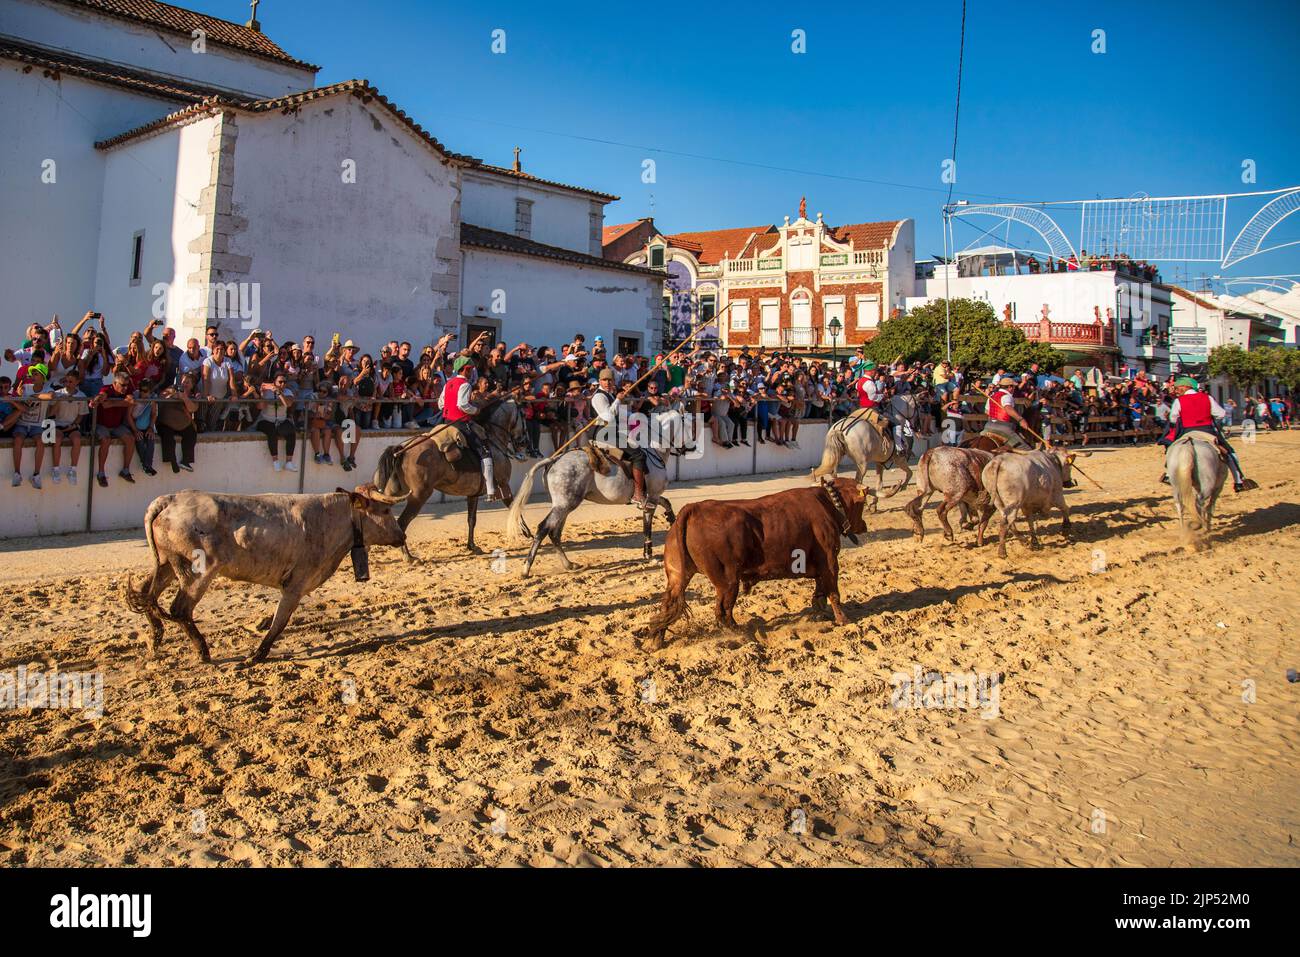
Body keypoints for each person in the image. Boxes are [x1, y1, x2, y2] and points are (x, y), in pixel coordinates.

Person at [1163, 377, 1255, 493]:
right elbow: (1221, 414)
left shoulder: (1178, 401)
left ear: (1186, 387)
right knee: (1230, 453)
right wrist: (1210, 417)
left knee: (1172, 448)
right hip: (1207, 430)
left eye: (1178, 388)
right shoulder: (1207, 398)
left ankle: (1168, 474)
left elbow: (1173, 418)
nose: (1176, 390)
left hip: (1187, 431)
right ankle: (1238, 482)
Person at [439, 355, 500, 500]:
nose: (472, 371)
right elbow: (462, 405)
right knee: (485, 451)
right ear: (465, 369)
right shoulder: (465, 384)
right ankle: (491, 490)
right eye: (470, 369)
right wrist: (476, 410)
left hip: (446, 422)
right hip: (461, 424)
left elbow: (441, 404)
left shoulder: (448, 383)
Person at [591, 367, 649, 509]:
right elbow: (608, 417)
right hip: (605, 434)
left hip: (614, 431)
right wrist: (617, 400)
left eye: (610, 380)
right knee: (638, 455)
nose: (608, 382)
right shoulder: (599, 396)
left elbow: (620, 415)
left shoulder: (610, 395)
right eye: (605, 380)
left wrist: (638, 418)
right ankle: (637, 494)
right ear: (599, 381)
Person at [89, 369, 138, 486]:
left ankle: (125, 470)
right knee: (106, 440)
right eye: (122, 385)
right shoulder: (107, 389)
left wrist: (112, 403)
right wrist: (97, 400)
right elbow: (101, 396)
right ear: (114, 384)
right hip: (101, 425)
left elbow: (131, 400)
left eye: (126, 385)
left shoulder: (127, 390)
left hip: (116, 426)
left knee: (130, 439)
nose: (125, 388)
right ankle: (101, 473)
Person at [255, 372, 298, 472]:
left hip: (281, 421)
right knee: (272, 432)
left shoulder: (288, 392)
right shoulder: (267, 391)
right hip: (266, 420)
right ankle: (275, 461)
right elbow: (259, 407)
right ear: (274, 382)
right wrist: (262, 393)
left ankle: (289, 462)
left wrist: (279, 393)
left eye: (284, 382)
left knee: (291, 431)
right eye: (280, 382)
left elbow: (288, 404)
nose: (282, 384)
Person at [979, 375, 1034, 449]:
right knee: (1026, 449)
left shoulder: (992, 396)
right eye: (1014, 387)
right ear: (1010, 387)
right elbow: (1008, 408)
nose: (1014, 389)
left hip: (988, 425)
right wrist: (1021, 420)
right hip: (1004, 427)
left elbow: (987, 411)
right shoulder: (1007, 396)